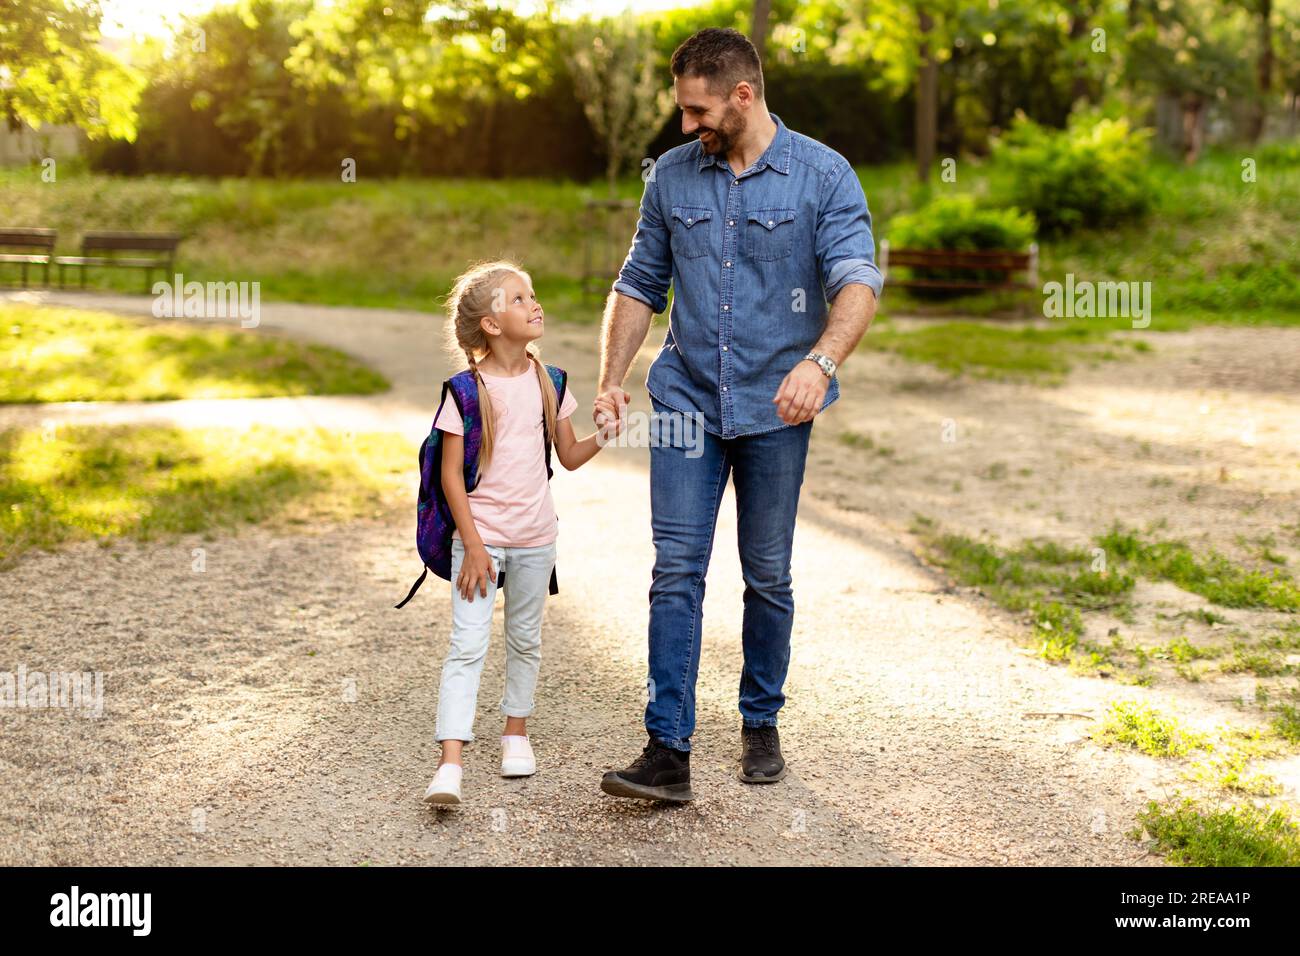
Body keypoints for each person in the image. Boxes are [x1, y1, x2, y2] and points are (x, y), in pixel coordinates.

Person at [594, 28, 883, 802]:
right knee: (676, 570)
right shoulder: (674, 179)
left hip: (774, 408)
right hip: (686, 398)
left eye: (697, 111)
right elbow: (638, 282)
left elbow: (857, 279)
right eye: (682, 112)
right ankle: (668, 749)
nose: (686, 127)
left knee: (768, 575)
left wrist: (819, 363)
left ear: (742, 96)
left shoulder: (823, 175)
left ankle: (760, 719)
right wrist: (611, 378)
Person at [424, 260, 617, 806]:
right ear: (490, 323)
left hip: (536, 538)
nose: (535, 304)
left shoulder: (548, 381)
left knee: (525, 638)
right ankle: (450, 765)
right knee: (467, 645)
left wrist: (604, 434)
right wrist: (475, 547)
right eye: (519, 298)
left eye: (532, 295)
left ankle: (515, 734)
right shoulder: (465, 390)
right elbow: (450, 477)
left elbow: (571, 457)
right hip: (479, 540)